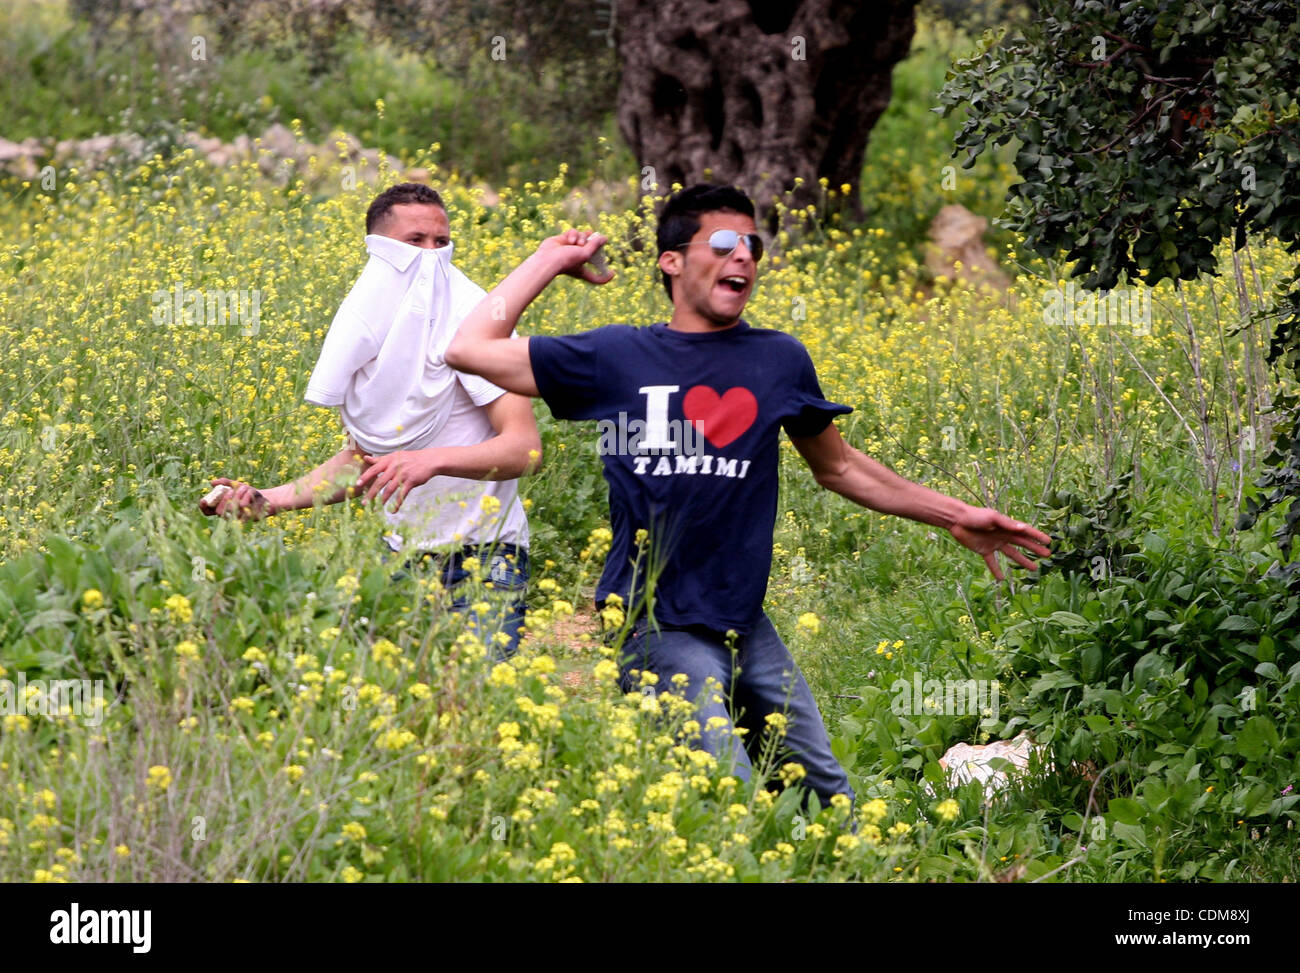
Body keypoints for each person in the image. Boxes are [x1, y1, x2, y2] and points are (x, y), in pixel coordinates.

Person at [443, 183, 1052, 805]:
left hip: (744, 619)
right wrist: (550, 259)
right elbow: (468, 349)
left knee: (827, 797)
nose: (744, 258)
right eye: (725, 243)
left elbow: (840, 467)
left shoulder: (778, 359)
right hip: (654, 619)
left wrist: (957, 515)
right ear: (671, 260)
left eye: (753, 246)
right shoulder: (616, 354)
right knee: (725, 799)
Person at [201, 182, 541, 659]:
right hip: (397, 555)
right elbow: (365, 461)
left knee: (477, 702)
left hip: (483, 557)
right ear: (380, 250)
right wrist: (268, 500)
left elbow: (523, 448)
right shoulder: (371, 324)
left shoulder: (474, 321)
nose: (430, 255)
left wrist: (431, 462)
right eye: (415, 241)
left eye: (441, 242)